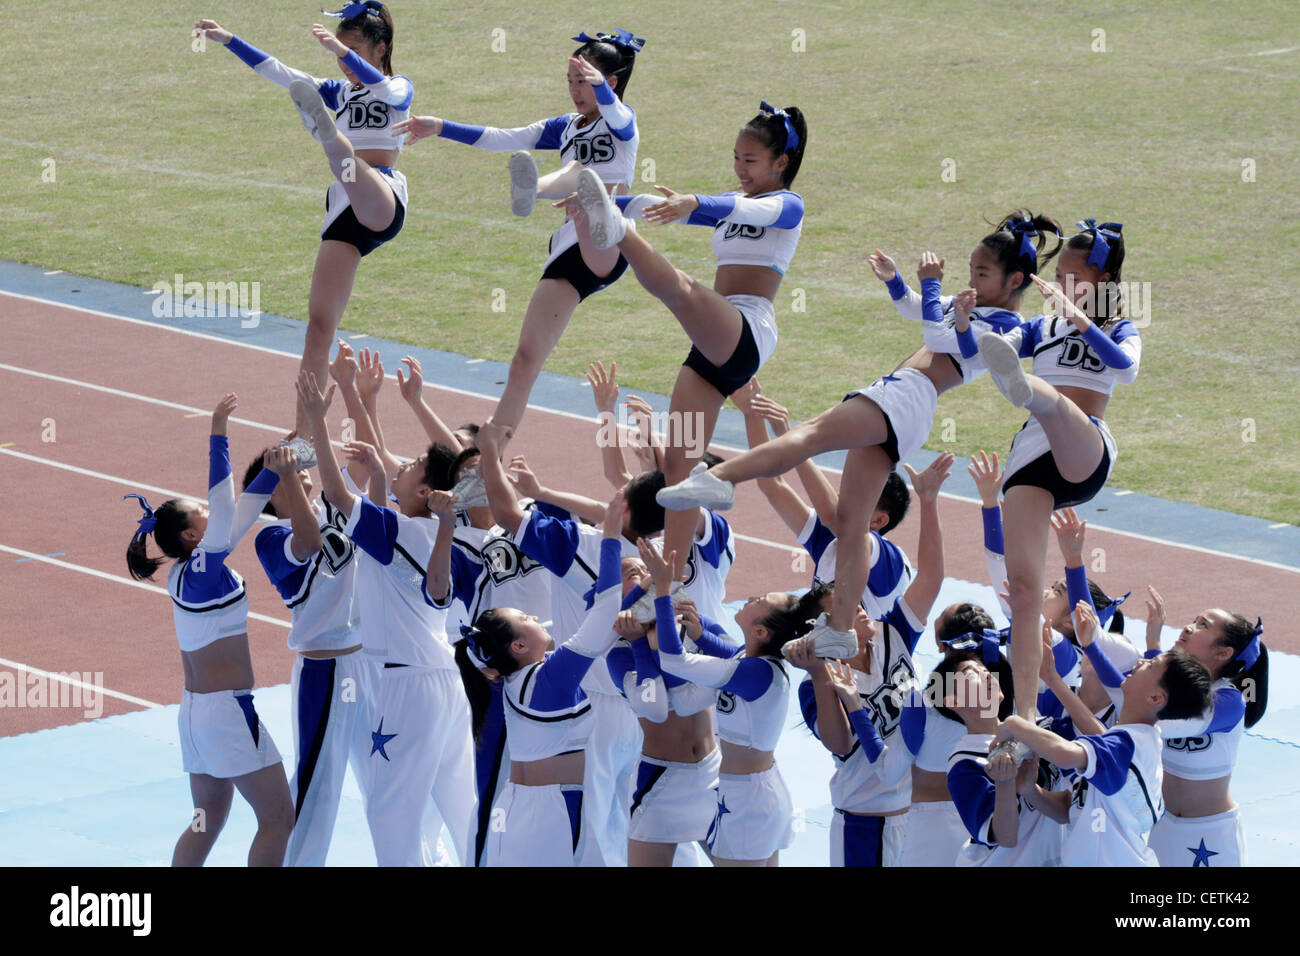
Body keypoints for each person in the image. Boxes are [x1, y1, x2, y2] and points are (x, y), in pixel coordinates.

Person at [658, 214, 1057, 661]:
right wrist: (898, 282)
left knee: (810, 435)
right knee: (850, 525)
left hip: (904, 396)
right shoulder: (974, 304)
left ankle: (721, 478)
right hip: (907, 406)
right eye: (971, 271)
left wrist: (931, 285)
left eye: (982, 273)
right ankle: (840, 629)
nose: (972, 280)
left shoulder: (1004, 327)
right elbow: (915, 307)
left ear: (1015, 280)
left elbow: (938, 333)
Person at [569, 102, 807, 595]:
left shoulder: (788, 205)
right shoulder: (727, 204)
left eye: (751, 161)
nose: (740, 169)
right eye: (736, 158)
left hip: (747, 328)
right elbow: (674, 206)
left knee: (678, 289)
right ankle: (672, 580)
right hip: (714, 347)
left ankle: (620, 236)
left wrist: (688, 203)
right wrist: (597, 199)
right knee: (679, 465)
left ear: (781, 162)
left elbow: (742, 207)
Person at [393, 30, 644, 434]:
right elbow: (503, 137)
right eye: (571, 81)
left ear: (610, 82)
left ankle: (549, 193)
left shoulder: (623, 124)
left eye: (584, 81)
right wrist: (440, 126)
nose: (575, 89)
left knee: (580, 173)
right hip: (571, 248)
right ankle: (491, 453)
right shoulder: (566, 126)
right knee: (525, 361)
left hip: (610, 240)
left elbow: (617, 114)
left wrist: (604, 93)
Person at [194, 4, 412, 439]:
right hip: (344, 212)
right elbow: (280, 72)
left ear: (380, 48)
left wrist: (341, 53)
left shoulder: (399, 87)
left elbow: (389, 93)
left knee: (345, 160)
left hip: (382, 198)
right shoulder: (339, 92)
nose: (342, 60)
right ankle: (305, 435)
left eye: (353, 50)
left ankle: (327, 136)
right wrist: (229, 39)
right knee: (318, 328)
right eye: (338, 52)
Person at [297, 371, 478, 866]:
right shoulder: (439, 537)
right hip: (443, 683)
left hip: (404, 689)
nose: (403, 463)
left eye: (413, 465)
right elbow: (382, 546)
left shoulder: (401, 531)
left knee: (391, 815)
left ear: (422, 492)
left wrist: (316, 420)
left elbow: (339, 498)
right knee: (465, 815)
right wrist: (377, 474)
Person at [974, 219, 1140, 722]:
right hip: (1032, 457)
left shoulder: (1120, 326)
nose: (1063, 287)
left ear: (1104, 278)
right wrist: (958, 315)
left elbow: (1126, 368)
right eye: (1059, 277)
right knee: (1024, 593)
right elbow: (979, 338)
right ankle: (1023, 714)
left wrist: (1083, 320)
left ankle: (1031, 392)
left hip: (1084, 449)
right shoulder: (1041, 329)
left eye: (1076, 278)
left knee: (1052, 404)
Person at [124, 394, 294, 866]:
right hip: (227, 714)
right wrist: (218, 430)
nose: (212, 512)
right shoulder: (202, 572)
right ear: (192, 536)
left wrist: (289, 453)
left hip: (196, 715)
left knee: (207, 819)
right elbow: (225, 504)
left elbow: (241, 509)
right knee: (279, 817)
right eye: (201, 513)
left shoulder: (189, 571)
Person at [786, 453, 953, 866]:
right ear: (824, 624)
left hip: (919, 815)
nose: (857, 603)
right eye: (841, 602)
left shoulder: (893, 631)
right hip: (865, 825)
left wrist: (928, 501)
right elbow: (839, 743)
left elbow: (931, 577)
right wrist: (822, 676)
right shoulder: (818, 683)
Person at [461, 490, 628, 865]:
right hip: (554, 813)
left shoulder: (520, 678)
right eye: (527, 619)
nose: (536, 617)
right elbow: (605, 610)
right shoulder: (552, 677)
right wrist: (612, 536)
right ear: (518, 646)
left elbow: (601, 630)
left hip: (526, 807)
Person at [642, 541, 824, 866]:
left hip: (748, 800)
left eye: (760, 601)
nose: (753, 596)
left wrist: (662, 591)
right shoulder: (753, 661)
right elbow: (724, 648)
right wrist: (694, 626)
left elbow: (674, 660)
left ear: (760, 631)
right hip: (754, 791)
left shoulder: (755, 674)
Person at [243, 445, 370, 867]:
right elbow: (310, 541)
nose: (304, 473)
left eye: (301, 469)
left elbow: (354, 471)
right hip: (325, 670)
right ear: (273, 492)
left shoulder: (334, 506)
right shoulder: (271, 538)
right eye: (290, 473)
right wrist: (286, 479)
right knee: (320, 783)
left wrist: (349, 397)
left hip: (366, 662)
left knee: (388, 764)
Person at [996, 647, 1213, 866]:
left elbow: (1064, 755)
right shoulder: (1136, 742)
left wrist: (1014, 724)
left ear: (1155, 698)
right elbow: (1069, 809)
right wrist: (1030, 790)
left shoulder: (1129, 745)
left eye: (1151, 664)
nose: (1140, 662)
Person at [1146, 601, 1268, 867]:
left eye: (1203, 625)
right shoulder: (1170, 686)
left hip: (1211, 834)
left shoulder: (1229, 700)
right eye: (1194, 619)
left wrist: (1155, 650)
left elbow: (1166, 723)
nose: (1188, 628)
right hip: (1160, 824)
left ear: (1223, 652)